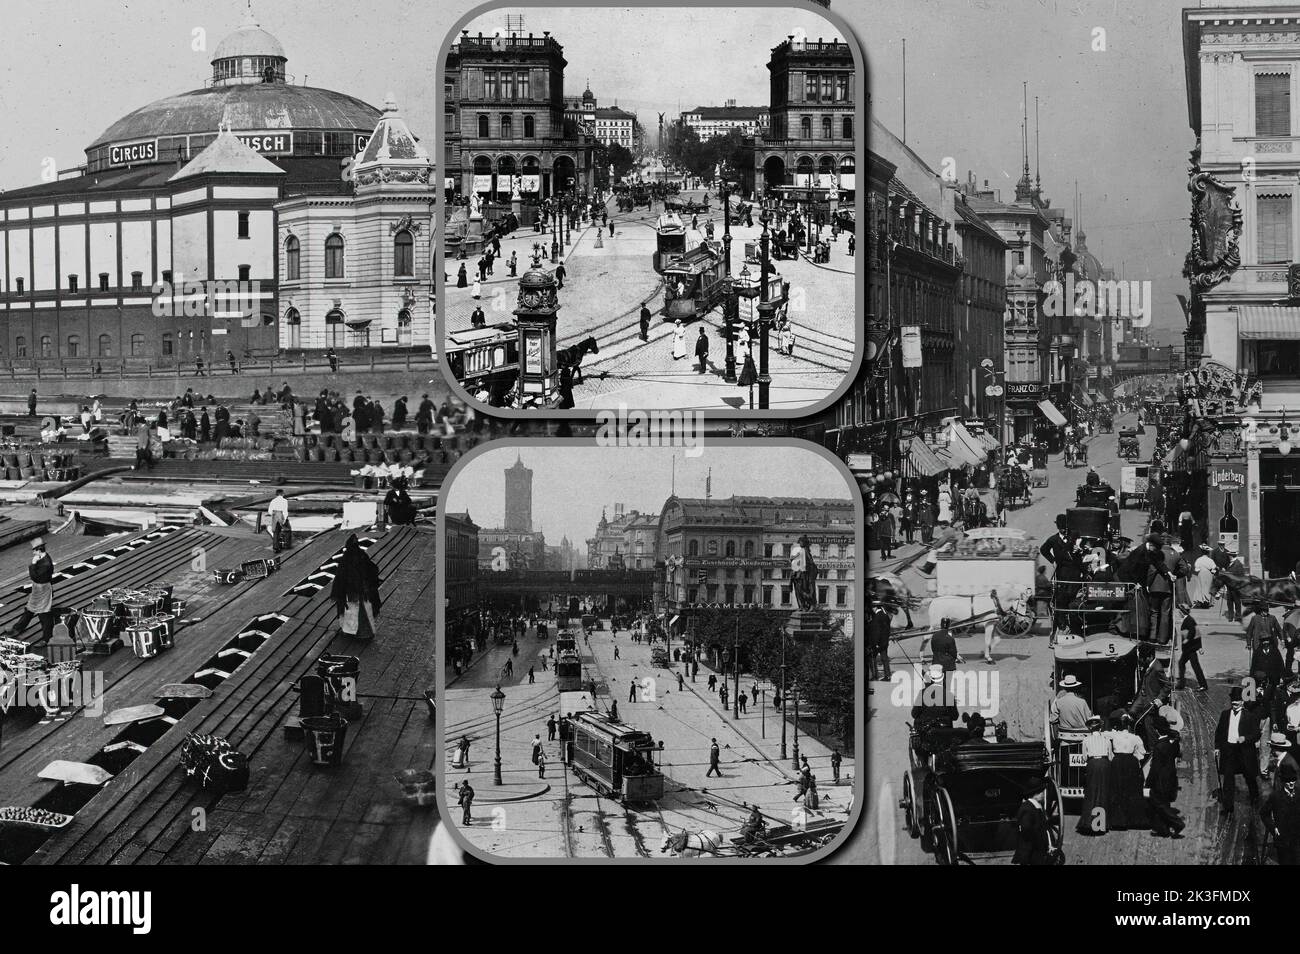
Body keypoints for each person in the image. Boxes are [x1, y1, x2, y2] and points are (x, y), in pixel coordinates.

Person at [1215, 686, 1262, 814]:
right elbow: (1219, 732)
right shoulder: (1225, 714)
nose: (1234, 705)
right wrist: (1217, 747)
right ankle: (1228, 807)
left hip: (1243, 751)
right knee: (1228, 778)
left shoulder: (1249, 716)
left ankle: (1255, 797)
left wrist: (1245, 738)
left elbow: (1257, 734)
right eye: (1233, 702)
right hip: (1229, 751)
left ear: (1242, 702)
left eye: (1237, 702)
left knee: (1249, 776)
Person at [331, 534, 382, 639]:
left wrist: (339, 593)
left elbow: (340, 578)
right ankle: (364, 633)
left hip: (352, 592)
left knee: (352, 611)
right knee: (363, 611)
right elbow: (373, 569)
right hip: (363, 590)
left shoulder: (345, 559)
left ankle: (352, 632)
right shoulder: (362, 555)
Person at [6, 538, 55, 646]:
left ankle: (47, 639)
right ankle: (17, 628)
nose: (33, 553)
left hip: (43, 590)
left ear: (39, 550)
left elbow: (35, 577)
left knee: (44, 613)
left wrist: (32, 564)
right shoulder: (43, 558)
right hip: (37, 589)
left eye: (34, 550)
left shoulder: (46, 563)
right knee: (29, 609)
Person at [1106, 713, 1147, 830]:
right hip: (1130, 762)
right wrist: (1135, 759)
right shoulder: (1135, 738)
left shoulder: (1114, 735)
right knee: (1132, 790)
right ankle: (1134, 821)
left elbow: (1103, 735)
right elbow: (1142, 753)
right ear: (1129, 725)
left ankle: (1118, 821)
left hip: (1117, 762)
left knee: (1117, 790)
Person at [1148, 715, 1186, 838]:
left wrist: (1148, 782)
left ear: (1156, 730)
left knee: (1158, 803)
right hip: (1171, 776)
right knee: (1164, 802)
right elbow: (1176, 754)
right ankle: (1162, 830)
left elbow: (1155, 767)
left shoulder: (1159, 746)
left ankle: (1177, 823)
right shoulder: (1172, 742)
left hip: (1160, 779)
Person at [1075, 715, 1112, 836]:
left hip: (1092, 764)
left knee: (1091, 792)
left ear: (1090, 728)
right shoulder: (1107, 740)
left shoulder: (1086, 740)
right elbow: (1110, 756)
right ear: (1100, 728)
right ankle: (1101, 825)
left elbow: (1084, 757)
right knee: (1103, 792)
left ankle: (1089, 823)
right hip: (1104, 764)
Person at [1263, 761, 1300, 865]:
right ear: (1283, 781)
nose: (1291, 783)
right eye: (1288, 781)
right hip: (1283, 840)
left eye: (1293, 780)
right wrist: (1273, 828)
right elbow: (1264, 813)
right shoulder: (1275, 796)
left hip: (1297, 839)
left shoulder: (1299, 793)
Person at [1012, 779, 1054, 865]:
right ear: (1036, 794)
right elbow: (1026, 829)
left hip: (1036, 851)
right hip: (1030, 852)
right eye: (1042, 792)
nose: (1043, 795)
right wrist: (1040, 842)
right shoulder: (1028, 809)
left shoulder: (1035, 807)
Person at [1177, 613, 1209, 691]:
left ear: (1181, 612)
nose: (1178, 613)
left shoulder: (1189, 620)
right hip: (1189, 648)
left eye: (1179, 612)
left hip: (1189, 648)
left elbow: (1193, 632)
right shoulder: (1189, 619)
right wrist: (1199, 647)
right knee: (1185, 664)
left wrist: (1187, 639)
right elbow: (1197, 633)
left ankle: (1182, 684)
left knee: (1191, 665)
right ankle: (1202, 684)